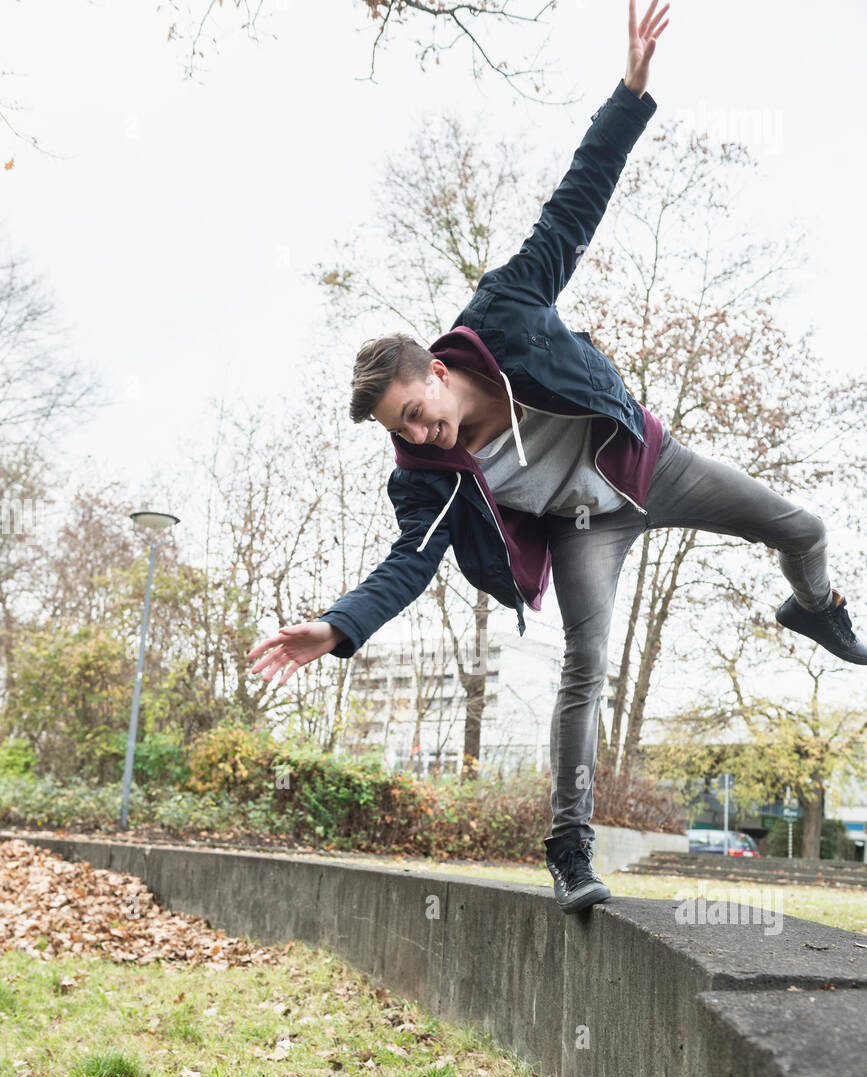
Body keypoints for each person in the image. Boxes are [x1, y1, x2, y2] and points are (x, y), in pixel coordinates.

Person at [248, 0, 866, 914]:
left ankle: (813, 608)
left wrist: (627, 93)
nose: (420, 436)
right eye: (401, 432)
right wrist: (337, 628)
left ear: (435, 365)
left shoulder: (503, 308)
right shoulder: (422, 476)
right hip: (584, 529)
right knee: (586, 664)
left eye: (418, 413)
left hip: (644, 464)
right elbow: (404, 569)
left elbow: (574, 205)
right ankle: (570, 849)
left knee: (803, 525)